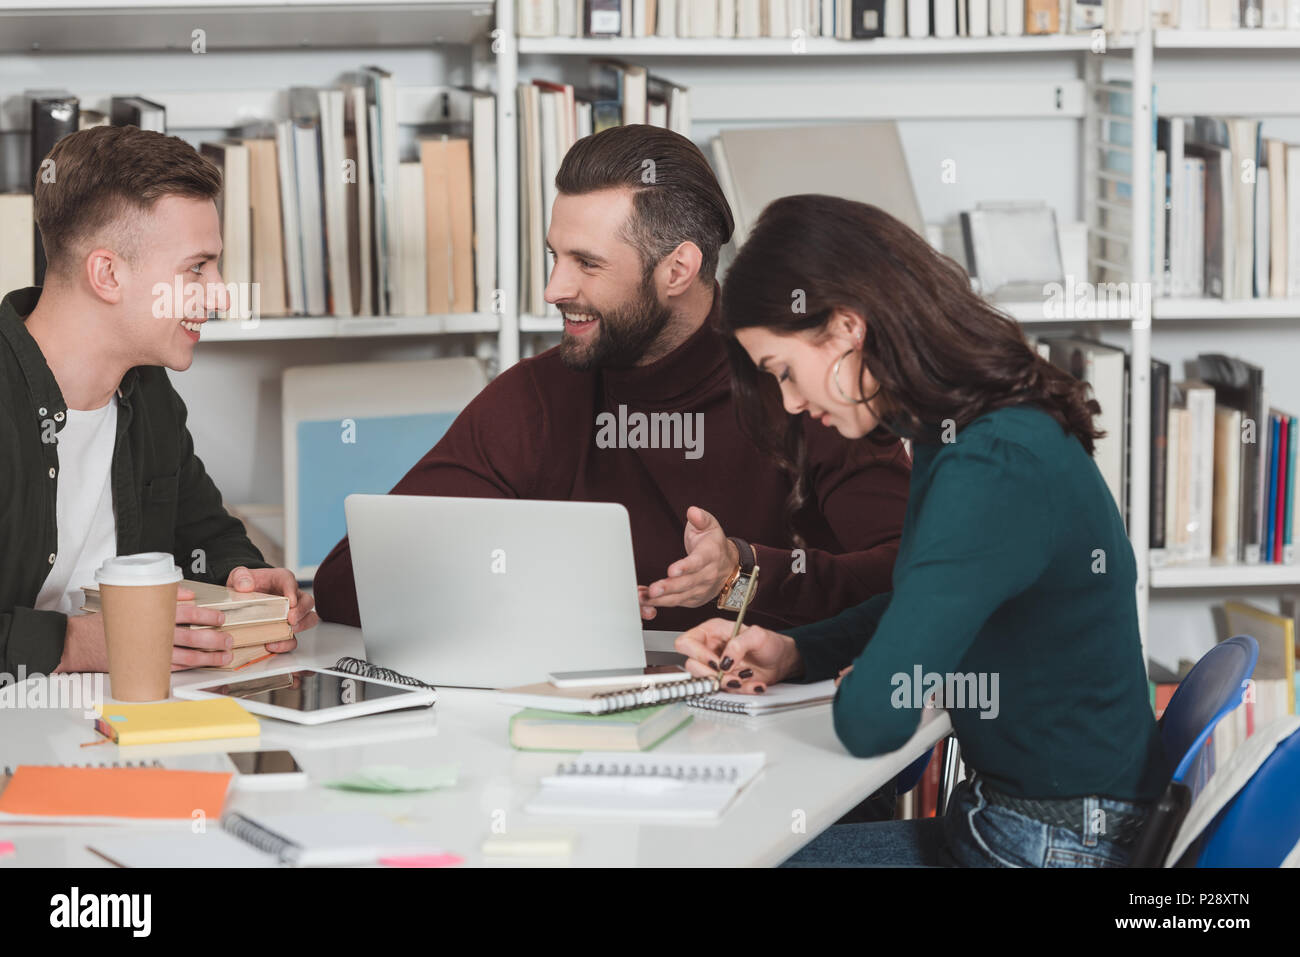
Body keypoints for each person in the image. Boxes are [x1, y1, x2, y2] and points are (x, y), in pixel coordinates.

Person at [675, 194, 1169, 866]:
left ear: (847, 327)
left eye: (783, 371)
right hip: (1036, 821)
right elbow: (918, 605)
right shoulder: (969, 429)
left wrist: (882, 672)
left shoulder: (991, 465)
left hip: (1055, 843)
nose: (790, 401)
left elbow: (873, 716)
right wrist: (794, 650)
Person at [313, 125, 910, 635]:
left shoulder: (800, 384)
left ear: (678, 268)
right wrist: (541, 591)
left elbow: (913, 573)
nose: (553, 289)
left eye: (587, 264)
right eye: (555, 256)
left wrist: (740, 574)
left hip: (789, 733)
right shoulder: (537, 398)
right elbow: (348, 582)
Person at [0, 125, 317, 680]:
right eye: (197, 267)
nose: (219, 294)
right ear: (108, 273)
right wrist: (73, 644)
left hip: (121, 723)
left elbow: (206, 534)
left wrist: (241, 577)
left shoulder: (147, 394)